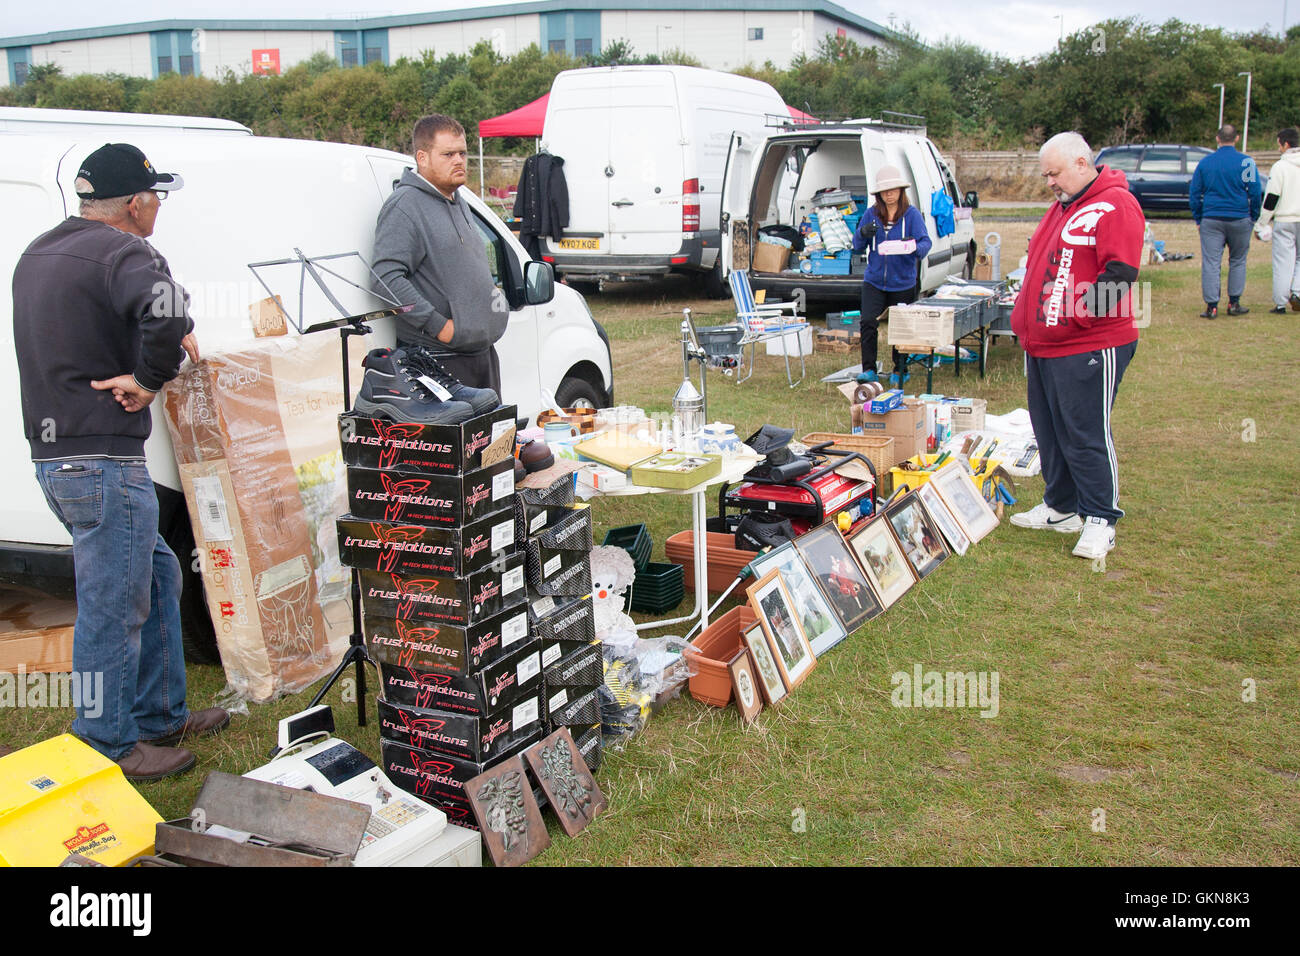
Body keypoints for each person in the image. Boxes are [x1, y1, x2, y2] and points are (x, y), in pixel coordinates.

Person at [11, 143, 229, 781]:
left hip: (58, 457)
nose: (158, 206)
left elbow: (148, 305)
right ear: (136, 202)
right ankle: (106, 741)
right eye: (155, 196)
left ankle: (159, 712)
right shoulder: (125, 252)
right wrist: (147, 378)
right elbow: (168, 314)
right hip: (103, 458)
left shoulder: (40, 250)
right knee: (113, 602)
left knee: (158, 575)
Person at [1009, 131, 1145, 561]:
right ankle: (1060, 506)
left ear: (1082, 164)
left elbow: (1121, 273)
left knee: (1084, 432)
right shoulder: (1062, 206)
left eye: (1055, 173)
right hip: (1044, 345)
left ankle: (1100, 518)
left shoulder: (1116, 204)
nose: (1050, 181)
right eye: (1046, 174)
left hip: (1088, 342)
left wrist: (1073, 318)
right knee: (1049, 430)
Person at [373, 114, 507, 394]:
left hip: (479, 356)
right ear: (422, 157)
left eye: (462, 153)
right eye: (448, 154)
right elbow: (385, 279)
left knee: (494, 438)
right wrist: (439, 326)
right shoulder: (405, 207)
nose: (458, 160)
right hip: (440, 361)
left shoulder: (458, 200)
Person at [851, 166, 932, 384]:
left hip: (903, 282)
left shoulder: (911, 215)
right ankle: (869, 369)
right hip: (874, 280)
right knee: (868, 321)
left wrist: (912, 246)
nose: (889, 194)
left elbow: (926, 243)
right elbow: (857, 246)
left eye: (893, 189)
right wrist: (862, 233)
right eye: (884, 190)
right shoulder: (871, 214)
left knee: (901, 328)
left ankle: (901, 369)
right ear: (879, 194)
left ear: (900, 190)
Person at [1189, 124, 1262, 318]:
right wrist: (1253, 215)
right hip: (1239, 217)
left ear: (1217, 139)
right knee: (1238, 260)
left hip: (1211, 218)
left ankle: (1212, 305)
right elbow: (1255, 192)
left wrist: (1198, 217)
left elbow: (1195, 193)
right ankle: (1234, 302)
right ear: (1237, 138)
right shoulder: (1246, 162)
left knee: (1211, 262)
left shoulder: (1206, 163)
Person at [1255, 128, 1300, 314]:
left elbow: (1272, 197)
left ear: (1285, 144)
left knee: (1283, 261)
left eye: (1279, 143)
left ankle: (1281, 303)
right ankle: (1297, 292)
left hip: (1285, 219)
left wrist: (1262, 222)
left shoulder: (1280, 167)